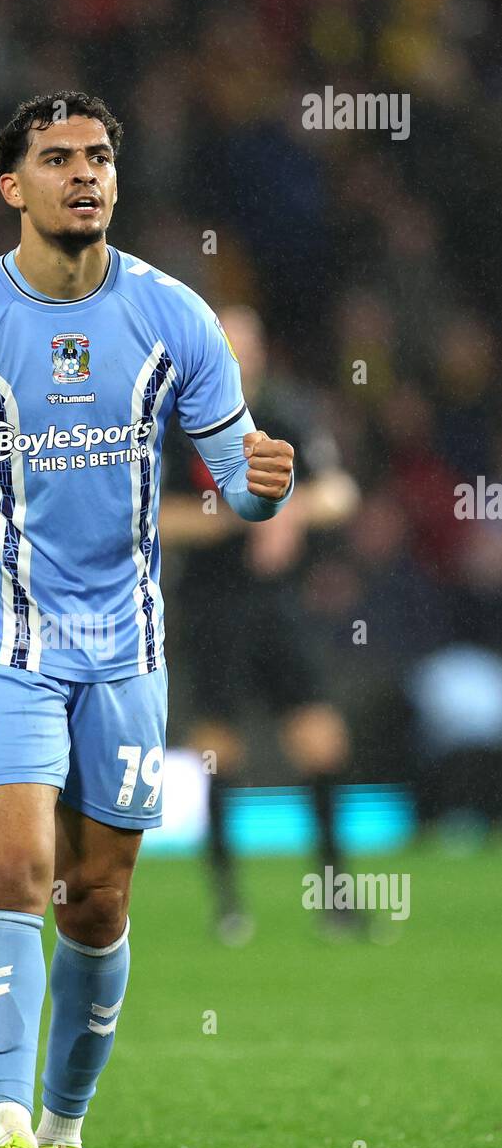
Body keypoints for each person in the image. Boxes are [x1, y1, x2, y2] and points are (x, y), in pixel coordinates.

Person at [0, 93, 294, 1148]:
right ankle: (6, 1133)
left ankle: (62, 1134)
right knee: (14, 873)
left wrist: (254, 493)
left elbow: (233, 484)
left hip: (124, 650)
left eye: (98, 156)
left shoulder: (174, 317)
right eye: (56, 159)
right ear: (13, 188)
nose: (85, 174)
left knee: (96, 901)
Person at [160, 306, 360, 942]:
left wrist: (288, 511)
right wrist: (241, 514)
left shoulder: (287, 409)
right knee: (221, 753)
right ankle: (228, 905)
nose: (238, 356)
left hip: (280, 604)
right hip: (214, 605)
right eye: (226, 344)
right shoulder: (176, 418)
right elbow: (152, 515)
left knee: (321, 742)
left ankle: (336, 900)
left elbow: (341, 493)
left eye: (247, 342)